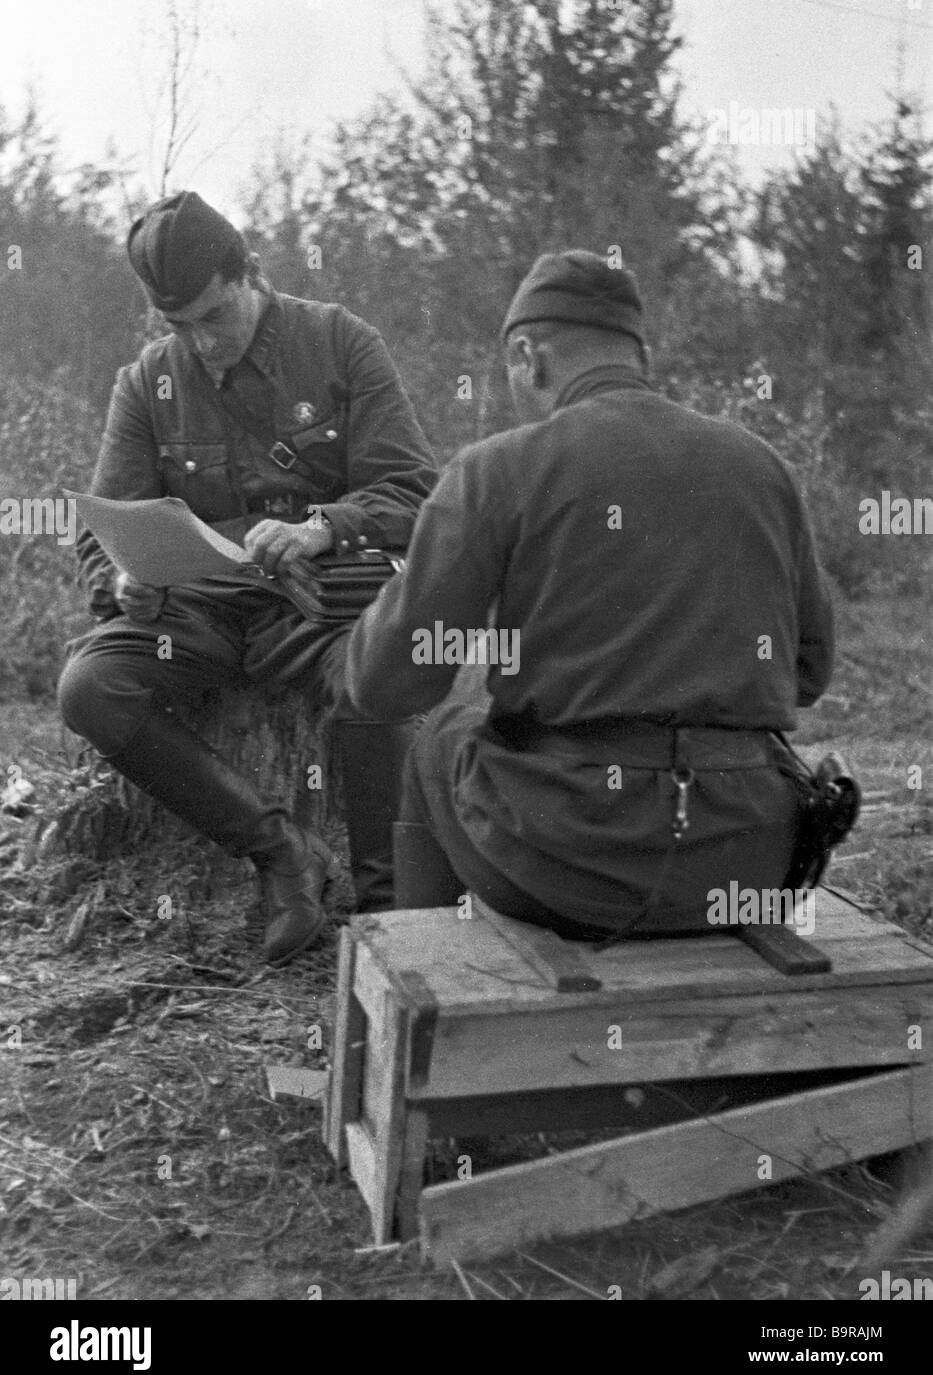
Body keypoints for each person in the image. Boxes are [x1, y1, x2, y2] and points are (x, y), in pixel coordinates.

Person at [344, 249, 835, 940]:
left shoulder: (496, 470)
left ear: (527, 355)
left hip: (570, 865)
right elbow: (807, 675)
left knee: (438, 744)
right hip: (747, 864)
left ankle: (429, 984)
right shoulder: (761, 466)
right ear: (640, 356)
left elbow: (385, 688)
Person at [58, 191, 436, 965]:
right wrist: (122, 582)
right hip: (192, 618)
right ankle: (283, 853)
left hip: (313, 612)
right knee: (88, 688)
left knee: (376, 681)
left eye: (213, 315)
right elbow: (103, 526)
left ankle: (388, 920)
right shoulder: (147, 382)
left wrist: (322, 526)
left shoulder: (338, 342)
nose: (201, 342)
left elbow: (410, 488)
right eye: (178, 325)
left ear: (250, 274)